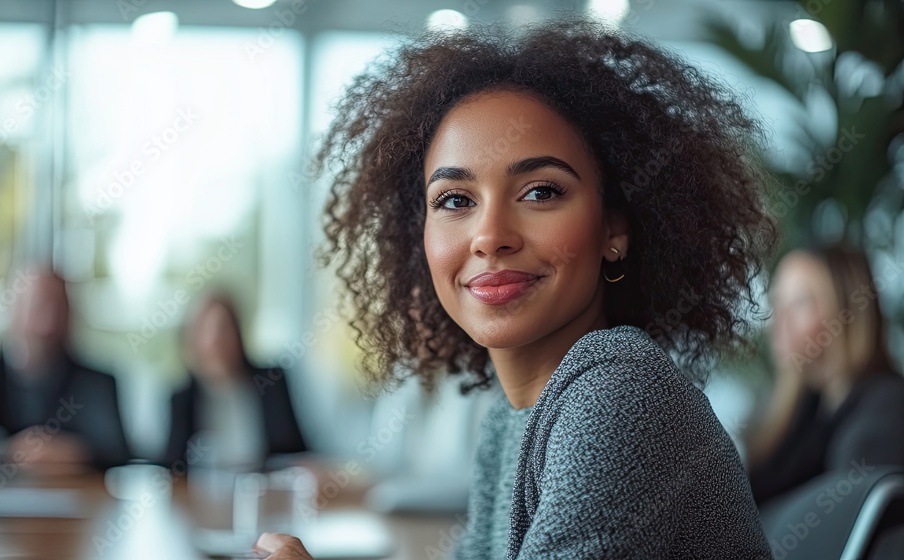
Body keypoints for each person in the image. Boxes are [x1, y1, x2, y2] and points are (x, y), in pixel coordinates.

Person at [254, 18, 779, 559]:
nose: (490, 236)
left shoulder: (620, 396)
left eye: (540, 192)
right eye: (455, 200)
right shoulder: (514, 415)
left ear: (613, 231)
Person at [743, 245, 904, 506]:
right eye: (777, 303)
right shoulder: (803, 413)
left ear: (847, 311)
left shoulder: (887, 409)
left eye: (799, 302)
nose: (779, 320)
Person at [0, 268, 132, 476]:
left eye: (59, 308)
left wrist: (78, 453)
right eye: (39, 307)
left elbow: (119, 453)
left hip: (78, 504)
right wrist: (6, 450)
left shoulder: (96, 384)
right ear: (12, 310)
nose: (48, 322)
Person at [164, 294, 307, 473]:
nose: (216, 339)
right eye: (207, 330)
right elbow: (173, 465)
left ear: (238, 333)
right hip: (205, 494)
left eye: (224, 328)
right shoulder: (183, 398)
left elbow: (298, 451)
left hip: (265, 489)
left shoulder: (271, 382)